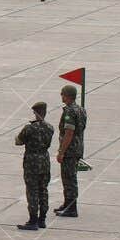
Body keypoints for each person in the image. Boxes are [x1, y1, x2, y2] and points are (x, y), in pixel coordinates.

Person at [15, 100, 55, 230]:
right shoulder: (50, 128)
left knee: (32, 190)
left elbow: (19, 141)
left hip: (32, 161)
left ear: (36, 112)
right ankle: (42, 219)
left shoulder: (29, 128)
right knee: (43, 189)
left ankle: (33, 220)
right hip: (44, 160)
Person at [54, 83, 87, 218]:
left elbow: (69, 132)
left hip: (70, 149)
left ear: (67, 96)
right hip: (78, 147)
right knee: (69, 177)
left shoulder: (69, 111)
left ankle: (71, 208)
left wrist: (61, 151)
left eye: (62, 94)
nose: (61, 96)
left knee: (69, 178)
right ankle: (67, 203)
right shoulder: (81, 109)